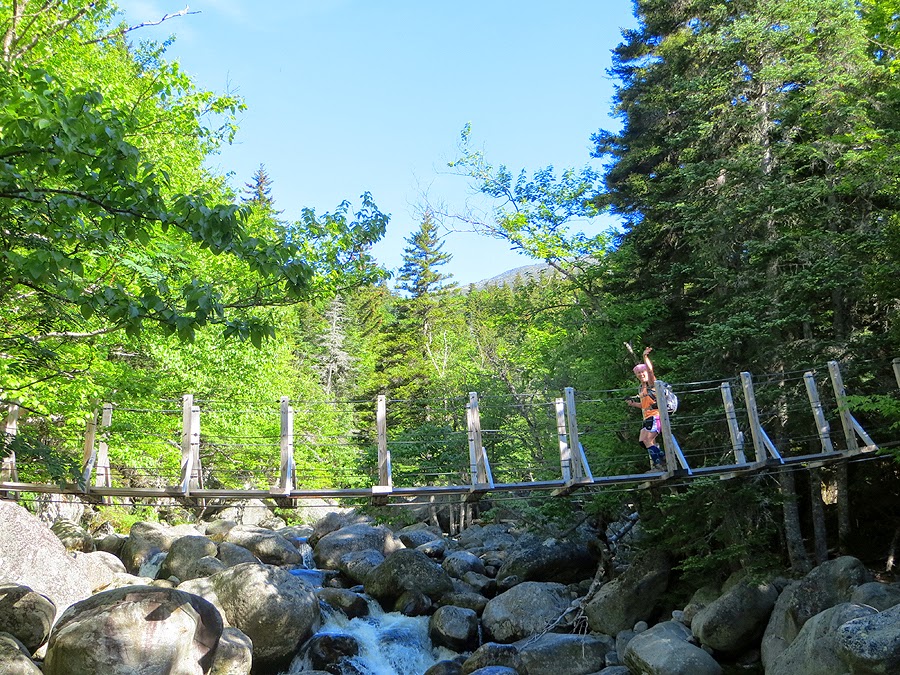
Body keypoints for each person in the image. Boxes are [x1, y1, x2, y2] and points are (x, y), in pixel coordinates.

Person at [626, 346, 666, 471]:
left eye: (642, 372)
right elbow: (644, 406)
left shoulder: (651, 383)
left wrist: (645, 357)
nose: (641, 374)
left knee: (648, 439)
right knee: (643, 441)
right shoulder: (641, 388)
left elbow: (650, 371)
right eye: (638, 373)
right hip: (647, 416)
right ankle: (661, 458)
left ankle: (660, 463)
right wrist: (633, 404)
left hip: (656, 416)